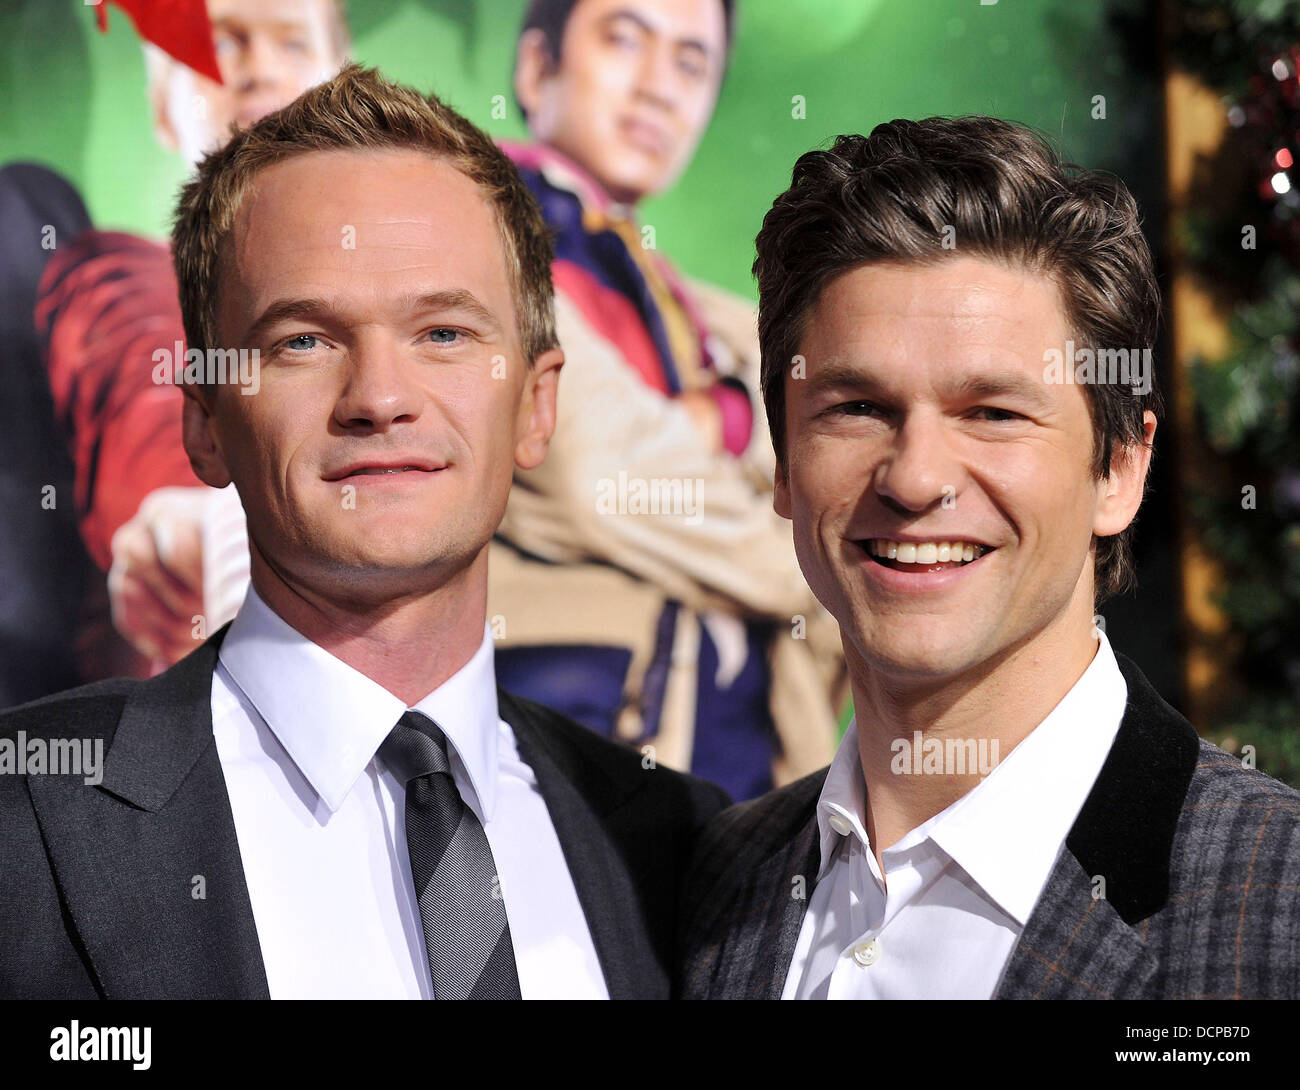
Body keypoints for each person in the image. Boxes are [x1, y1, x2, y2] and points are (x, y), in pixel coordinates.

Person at [0, 64, 728, 1000]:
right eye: (303, 339)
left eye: (444, 335)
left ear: (537, 407)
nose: (381, 398)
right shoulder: (23, 825)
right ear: (204, 420)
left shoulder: (679, 848)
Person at [678, 117, 1300, 999]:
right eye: (856, 407)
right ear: (784, 464)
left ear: (1120, 468)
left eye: (994, 412)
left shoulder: (1281, 901)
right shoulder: (705, 888)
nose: (917, 476)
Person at [494, 0, 841, 800]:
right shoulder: (479, 240)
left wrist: (719, 416)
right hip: (567, 766)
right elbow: (595, 476)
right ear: (535, 66)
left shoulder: (692, 307)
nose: (658, 89)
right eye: (624, 39)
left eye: (690, 63)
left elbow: (822, 425)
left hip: (747, 789)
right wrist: (810, 561)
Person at [34, 0, 349, 681]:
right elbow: (154, 442)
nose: (260, 70)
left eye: (293, 45)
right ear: (161, 106)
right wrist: (196, 525)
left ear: (346, 84)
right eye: (220, 45)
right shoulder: (127, 279)